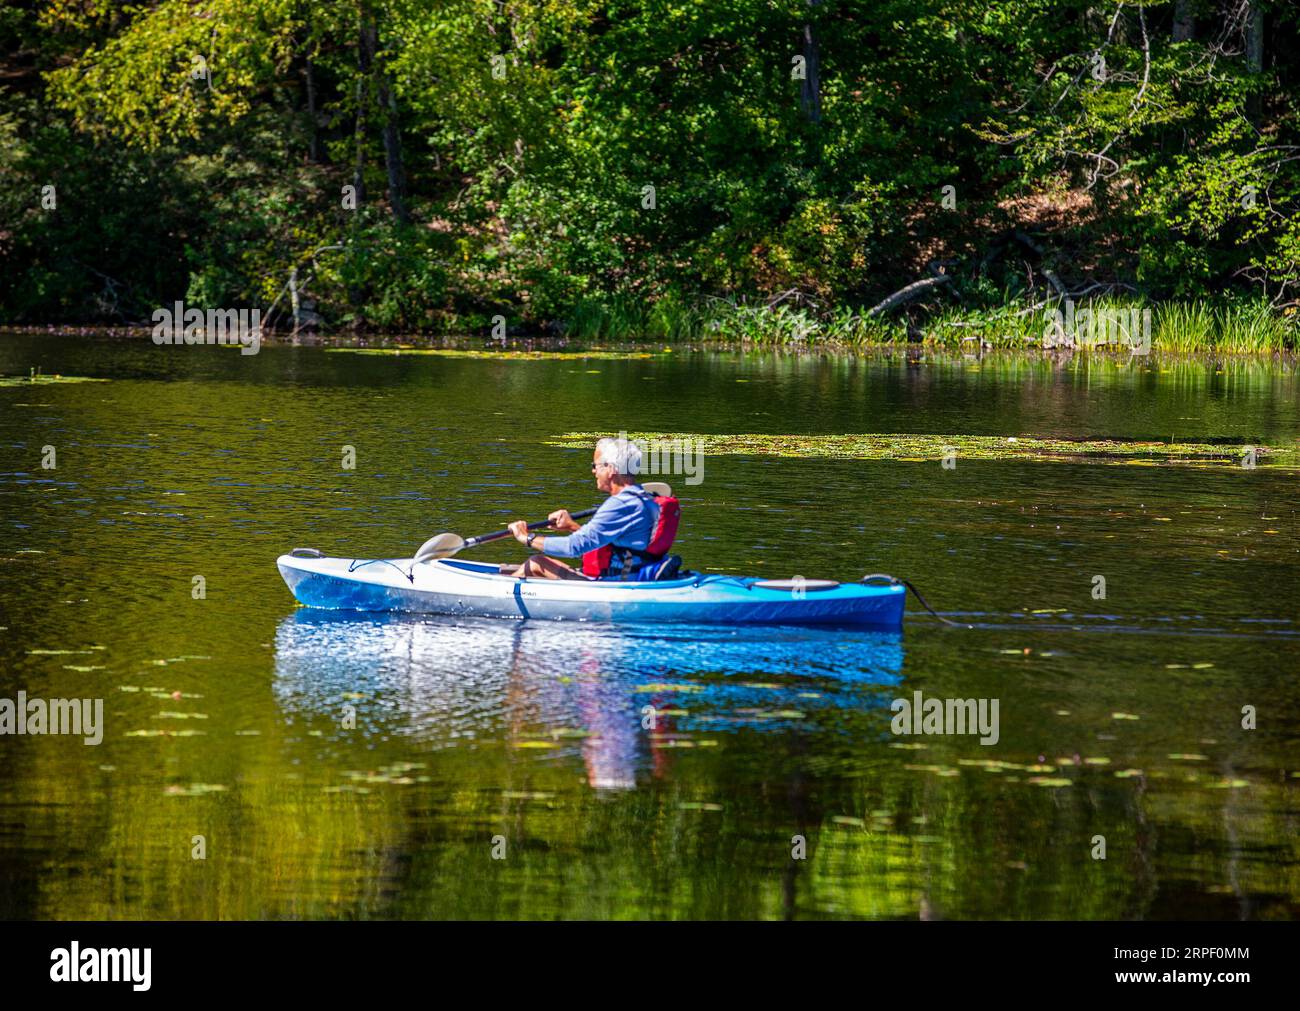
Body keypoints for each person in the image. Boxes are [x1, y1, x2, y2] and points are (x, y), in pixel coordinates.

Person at [502, 437, 662, 580]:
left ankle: (499, 594)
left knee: (536, 563)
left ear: (611, 469)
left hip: (615, 586)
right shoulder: (645, 499)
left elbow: (574, 547)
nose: (593, 471)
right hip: (630, 577)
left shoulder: (621, 505)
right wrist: (572, 526)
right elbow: (607, 543)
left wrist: (526, 538)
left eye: (596, 465)